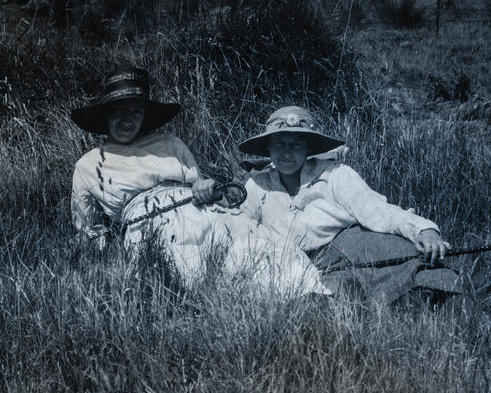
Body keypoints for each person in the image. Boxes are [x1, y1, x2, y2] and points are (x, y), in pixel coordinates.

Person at [70, 70, 327, 297]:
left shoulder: (171, 144)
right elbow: (88, 229)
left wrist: (207, 189)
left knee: (258, 242)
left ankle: (309, 296)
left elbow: (199, 185)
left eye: (135, 112)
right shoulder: (89, 165)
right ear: (105, 115)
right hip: (150, 225)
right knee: (192, 267)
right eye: (118, 111)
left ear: (144, 115)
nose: (127, 120)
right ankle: (240, 305)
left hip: (200, 210)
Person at [238, 105, 462, 303]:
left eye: (296, 144)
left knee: (416, 262)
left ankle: (450, 305)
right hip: (299, 262)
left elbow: (378, 210)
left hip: (354, 242)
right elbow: (240, 229)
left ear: (309, 149)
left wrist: (425, 230)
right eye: (279, 143)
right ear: (268, 148)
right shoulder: (257, 185)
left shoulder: (336, 174)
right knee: (327, 300)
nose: (287, 152)